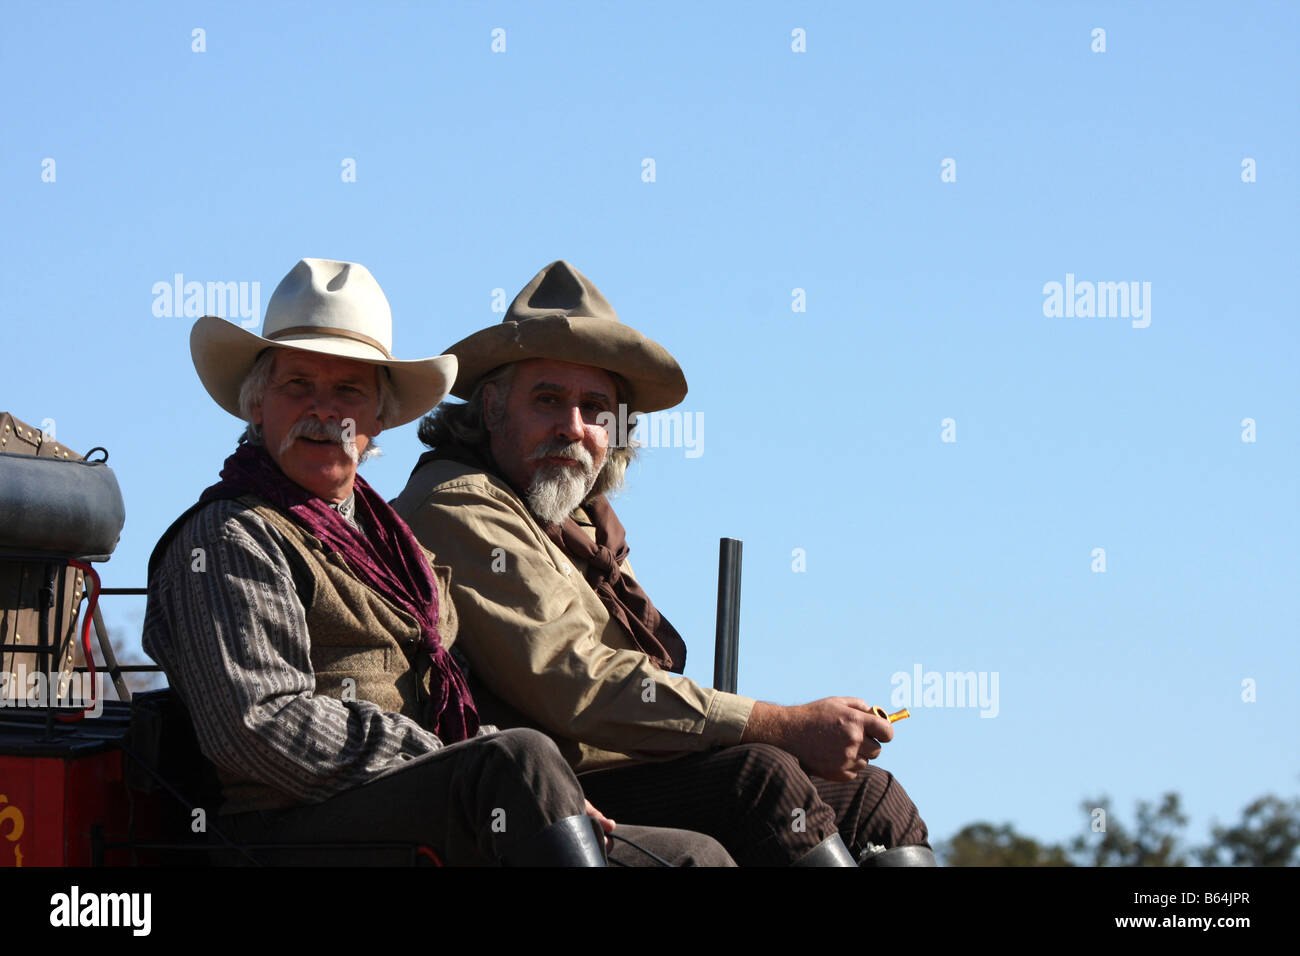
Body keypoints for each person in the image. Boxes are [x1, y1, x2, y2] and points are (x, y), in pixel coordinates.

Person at [142, 257, 733, 866]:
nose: (324, 410)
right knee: (522, 759)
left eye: (349, 389)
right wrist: (455, 759)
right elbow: (257, 727)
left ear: (379, 418)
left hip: (416, 810)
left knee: (694, 857)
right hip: (289, 833)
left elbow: (453, 718)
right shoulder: (230, 537)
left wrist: (535, 787)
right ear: (257, 405)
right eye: (298, 385)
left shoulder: (395, 546)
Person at [393, 260, 936, 866]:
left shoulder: (581, 528)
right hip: (543, 799)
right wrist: (782, 724)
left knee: (873, 798)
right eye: (548, 399)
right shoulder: (461, 503)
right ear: (492, 407)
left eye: (595, 408)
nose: (574, 427)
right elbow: (576, 680)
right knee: (764, 776)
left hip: (622, 772)